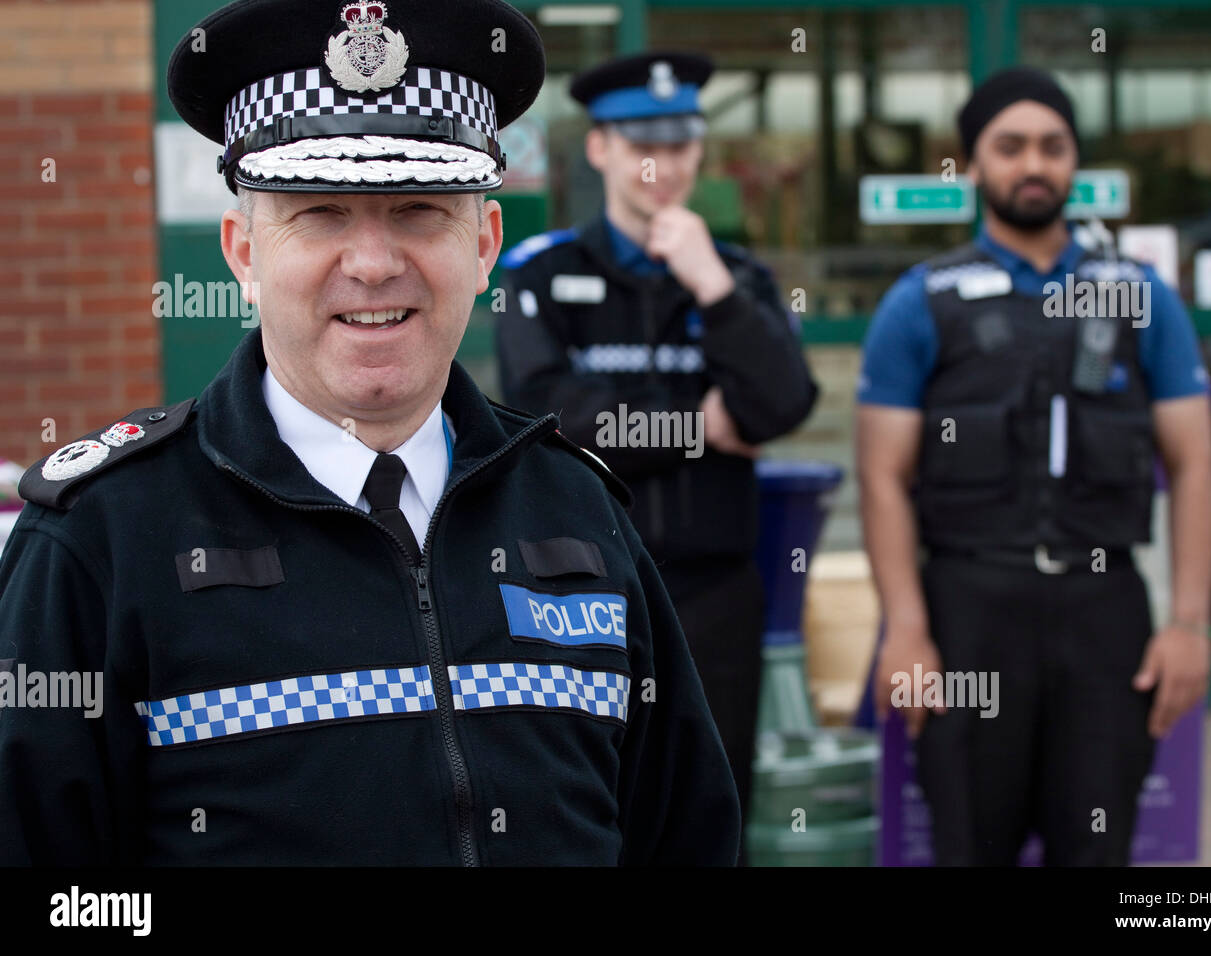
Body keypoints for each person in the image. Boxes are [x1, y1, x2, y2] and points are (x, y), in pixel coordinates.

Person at [0, 0, 739, 866]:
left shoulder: (579, 512)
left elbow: (686, 840)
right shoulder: (101, 540)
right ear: (242, 250)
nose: (374, 263)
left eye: (421, 209)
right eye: (319, 213)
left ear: (485, 243)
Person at [857, 66, 1211, 866]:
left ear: (1074, 164)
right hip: (968, 615)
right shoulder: (922, 300)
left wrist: (1191, 622)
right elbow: (882, 476)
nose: (1034, 165)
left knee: (1098, 850)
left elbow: (1194, 463)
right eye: (1010, 146)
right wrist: (908, 631)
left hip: (1106, 617)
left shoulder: (1138, 296)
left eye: (1054, 147)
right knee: (967, 844)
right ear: (974, 164)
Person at [495, 51, 818, 837]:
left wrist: (712, 285)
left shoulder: (737, 277)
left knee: (711, 812)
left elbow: (782, 404)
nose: (662, 164)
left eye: (679, 144)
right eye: (641, 142)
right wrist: (702, 425)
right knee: (590, 810)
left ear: (699, 150)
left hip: (714, 594)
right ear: (600, 148)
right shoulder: (540, 274)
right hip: (579, 593)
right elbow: (552, 418)